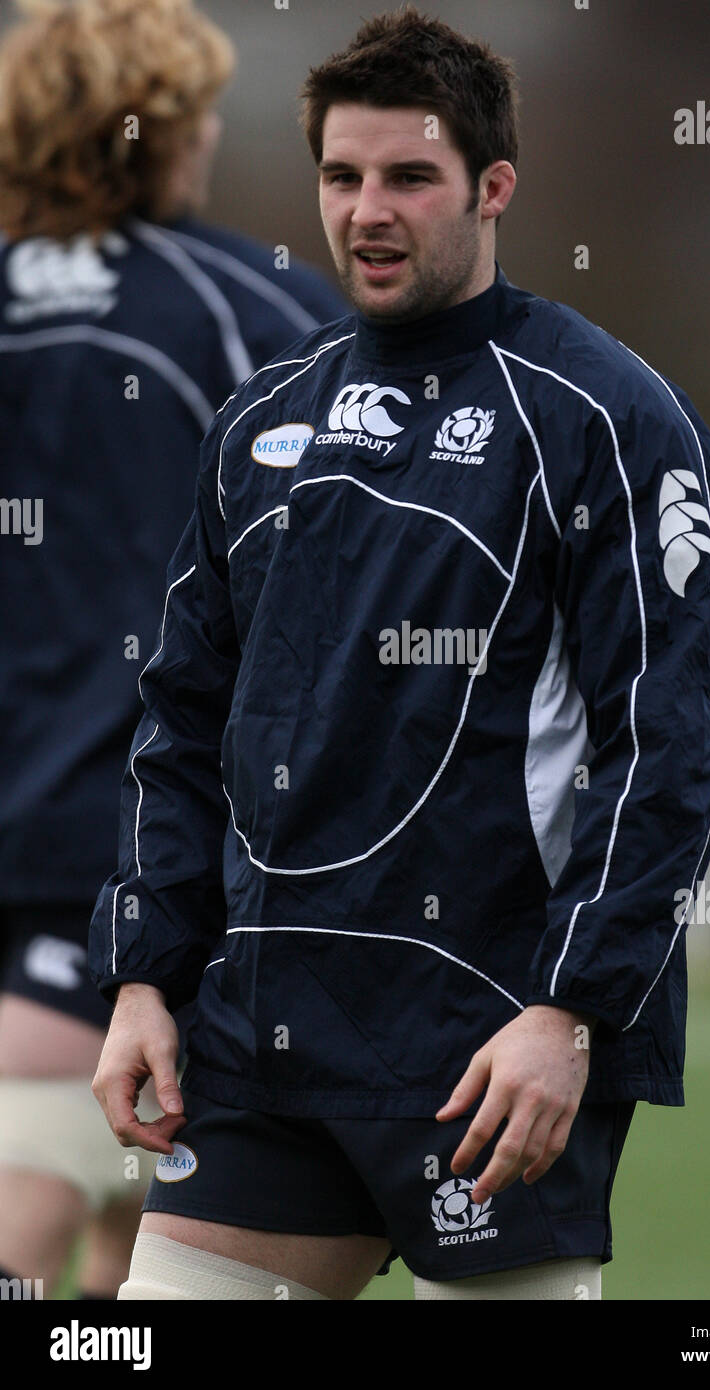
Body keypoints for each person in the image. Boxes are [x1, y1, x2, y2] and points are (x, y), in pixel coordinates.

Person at [90, 6, 710, 1302]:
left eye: (408, 177)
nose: (366, 210)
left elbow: (667, 746)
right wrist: (146, 975)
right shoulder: (261, 420)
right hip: (259, 1037)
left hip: (486, 1044)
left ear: (492, 188)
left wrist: (572, 1012)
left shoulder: (608, 417)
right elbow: (181, 722)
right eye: (341, 176)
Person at [0, 0, 344, 1300]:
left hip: (61, 872)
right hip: (142, 866)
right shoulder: (252, 310)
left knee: (121, 1272)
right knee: (54, 1240)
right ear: (166, 125)